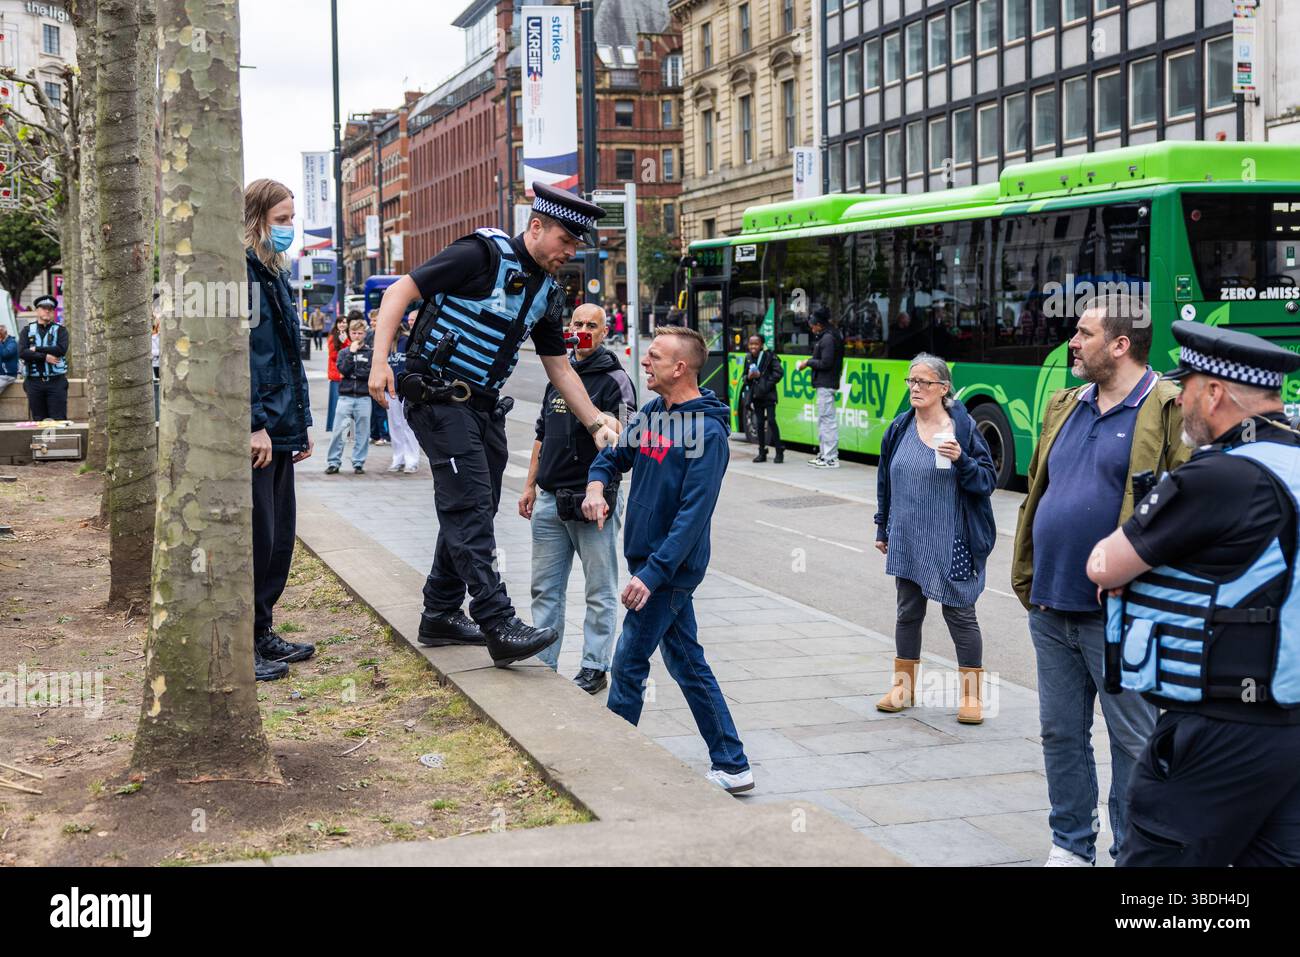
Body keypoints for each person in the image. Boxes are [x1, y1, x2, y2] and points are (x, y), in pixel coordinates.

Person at [367, 181, 620, 668]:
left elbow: (559, 367)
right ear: (536, 226)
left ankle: (440, 611)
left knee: (477, 503)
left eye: (575, 246)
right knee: (467, 505)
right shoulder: (479, 255)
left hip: (482, 406)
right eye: (564, 242)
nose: (568, 254)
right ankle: (496, 619)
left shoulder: (548, 292)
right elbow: (402, 291)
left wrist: (594, 423)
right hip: (438, 396)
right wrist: (381, 361)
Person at [1088, 323, 1300, 866]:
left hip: (1223, 726)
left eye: (1187, 385)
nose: (1178, 398)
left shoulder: (1220, 476)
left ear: (1215, 393)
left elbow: (1103, 563)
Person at [1012, 294, 1187, 866]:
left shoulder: (1166, 408)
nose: (1072, 342)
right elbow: (1040, 489)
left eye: (1084, 333)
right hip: (1051, 604)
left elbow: (1185, 513)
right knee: (1060, 736)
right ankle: (1070, 846)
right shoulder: (1065, 404)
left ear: (1120, 344)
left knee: (1134, 743)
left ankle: (1133, 853)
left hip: (1123, 613)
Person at [582, 325, 753, 794]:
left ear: (680, 368)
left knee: (629, 661)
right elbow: (615, 457)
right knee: (686, 662)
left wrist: (653, 575)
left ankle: (616, 759)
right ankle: (732, 763)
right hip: (649, 563)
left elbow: (692, 518)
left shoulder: (708, 433)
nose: (645, 362)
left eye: (654, 356)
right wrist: (597, 485)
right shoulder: (655, 412)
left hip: (670, 570)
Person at [873, 354, 997, 724]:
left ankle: (972, 698)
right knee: (907, 613)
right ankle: (903, 688)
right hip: (908, 536)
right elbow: (885, 481)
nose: (915, 388)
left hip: (952, 537)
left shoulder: (964, 428)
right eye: (912, 381)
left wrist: (962, 459)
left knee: (960, 615)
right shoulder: (899, 428)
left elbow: (986, 481)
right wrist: (883, 526)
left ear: (943, 389)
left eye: (924, 382)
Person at [519, 303, 635, 693]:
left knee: (599, 591)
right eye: (577, 323)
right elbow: (540, 434)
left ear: (604, 332)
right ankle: (543, 660)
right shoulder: (558, 375)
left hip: (594, 502)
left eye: (592, 325)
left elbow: (625, 429)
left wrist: (602, 418)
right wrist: (529, 485)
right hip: (550, 499)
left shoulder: (615, 378)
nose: (583, 330)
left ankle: (594, 666)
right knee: (544, 589)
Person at [245, 178, 316, 682]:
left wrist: (301, 425)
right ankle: (240, 641)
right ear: (255, 219)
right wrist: (254, 423)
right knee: (255, 537)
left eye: (292, 219)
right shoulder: (244, 275)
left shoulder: (272, 273)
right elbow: (240, 354)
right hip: (259, 430)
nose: (290, 229)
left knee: (278, 539)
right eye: (282, 220)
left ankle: (262, 630)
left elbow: (290, 357)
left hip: (281, 426)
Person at [797, 308, 843, 469]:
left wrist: (808, 362)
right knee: (823, 420)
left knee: (827, 421)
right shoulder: (828, 336)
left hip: (826, 383)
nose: (811, 329)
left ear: (818, 325)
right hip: (825, 383)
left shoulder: (828, 338)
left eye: (812, 326)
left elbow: (826, 363)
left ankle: (830, 458)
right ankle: (824, 455)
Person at [326, 317, 373, 475]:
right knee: (338, 431)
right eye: (354, 333)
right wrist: (351, 355)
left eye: (360, 333)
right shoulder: (344, 352)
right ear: (349, 333)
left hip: (363, 397)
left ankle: (358, 462)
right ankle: (333, 462)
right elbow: (343, 370)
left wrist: (353, 374)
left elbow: (368, 373)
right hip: (345, 397)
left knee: (363, 432)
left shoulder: (370, 353)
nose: (357, 336)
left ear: (364, 334)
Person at [18, 295, 69, 420]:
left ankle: (59, 440)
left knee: (58, 419)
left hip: (56, 382)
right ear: (37, 310)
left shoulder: (61, 330)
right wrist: (45, 357)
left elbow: (61, 350)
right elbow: (22, 352)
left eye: (51, 309)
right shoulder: (27, 330)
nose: (47, 311)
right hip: (34, 382)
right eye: (44, 308)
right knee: (38, 419)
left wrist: (36, 349)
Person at [385, 314, 422, 473]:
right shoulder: (385, 344)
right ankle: (398, 457)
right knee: (395, 425)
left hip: (406, 390)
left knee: (408, 425)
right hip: (390, 390)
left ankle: (412, 459)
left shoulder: (406, 341)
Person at [741, 334, 784, 463]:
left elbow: (779, 373)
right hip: (756, 395)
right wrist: (748, 377)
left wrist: (765, 383)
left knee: (771, 421)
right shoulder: (748, 358)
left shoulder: (769, 356)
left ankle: (779, 450)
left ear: (761, 345)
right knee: (759, 423)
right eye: (751, 344)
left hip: (769, 395)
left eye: (756, 344)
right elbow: (744, 377)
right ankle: (762, 451)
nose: (753, 346)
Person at [325, 314, 353, 432]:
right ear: (336, 324)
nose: (342, 324)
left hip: (348, 374)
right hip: (336, 375)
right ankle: (335, 427)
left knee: (348, 405)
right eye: (340, 322)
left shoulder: (350, 337)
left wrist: (346, 341)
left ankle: (348, 430)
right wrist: (343, 344)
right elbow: (333, 356)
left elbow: (352, 353)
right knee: (336, 404)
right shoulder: (332, 337)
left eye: (344, 322)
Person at [0, 322, 18, 394]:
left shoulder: (12, 342)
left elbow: (5, 354)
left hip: (8, 374)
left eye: (0, 331)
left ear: (5, 332)